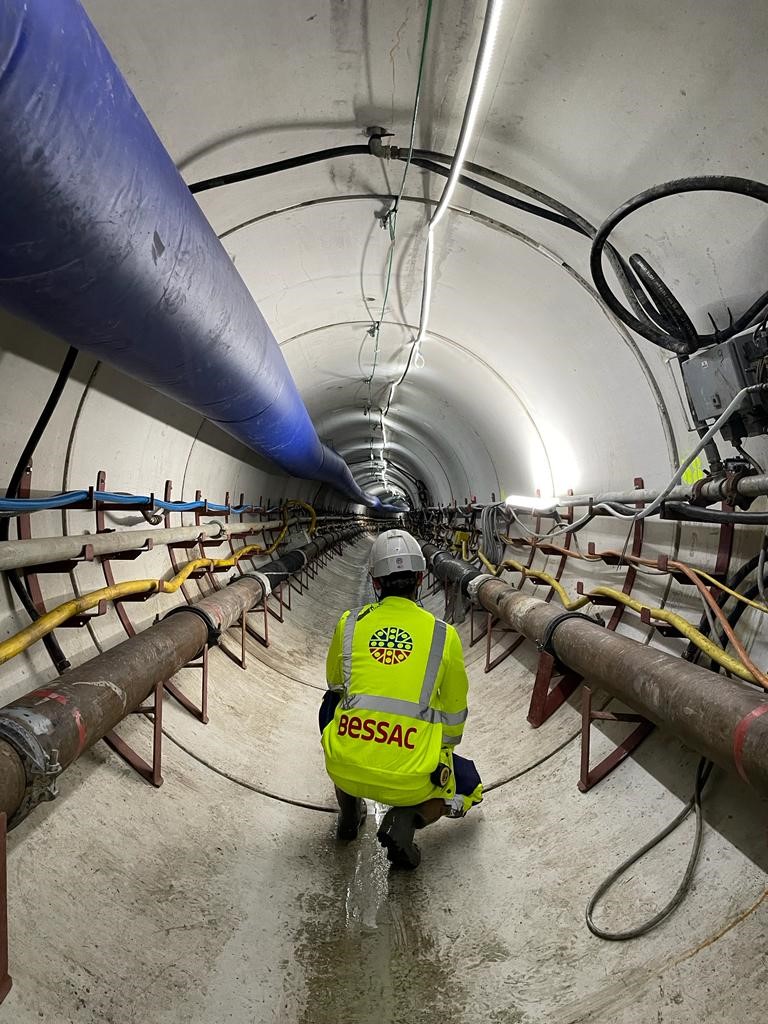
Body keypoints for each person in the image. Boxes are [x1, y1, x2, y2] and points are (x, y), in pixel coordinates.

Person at [319, 528, 482, 869]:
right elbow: (455, 716)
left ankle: (349, 808)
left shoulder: (349, 623)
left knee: (329, 703)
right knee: (470, 784)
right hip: (412, 777)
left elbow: (335, 681)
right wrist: (439, 754)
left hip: (345, 764)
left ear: (375, 582)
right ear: (421, 578)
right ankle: (408, 820)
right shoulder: (443, 634)